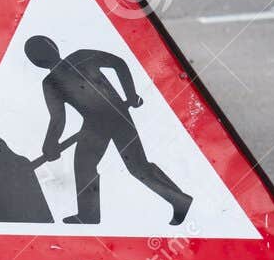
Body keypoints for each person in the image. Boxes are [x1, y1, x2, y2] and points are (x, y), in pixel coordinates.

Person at [24, 35, 192, 226]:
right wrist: (130, 95)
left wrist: (50, 144)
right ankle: (89, 215)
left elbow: (58, 120)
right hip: (105, 119)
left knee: (115, 166)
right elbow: (118, 64)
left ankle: (178, 200)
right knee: (131, 166)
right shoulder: (73, 62)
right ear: (54, 47)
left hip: (106, 118)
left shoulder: (57, 76)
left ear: (35, 62)